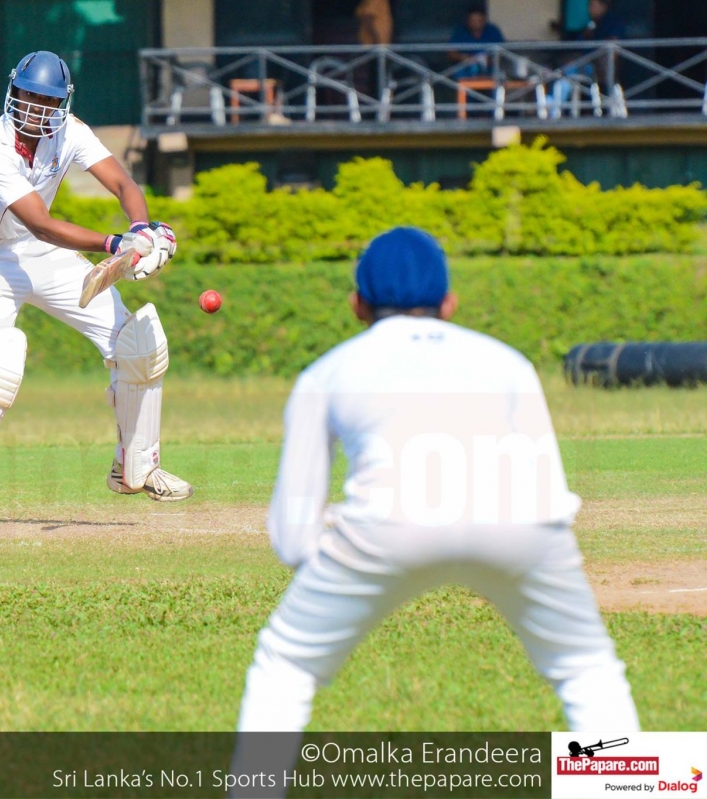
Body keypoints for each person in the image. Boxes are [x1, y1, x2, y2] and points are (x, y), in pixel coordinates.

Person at [234, 228, 639, 747]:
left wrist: (340, 557)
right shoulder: (507, 361)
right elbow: (549, 490)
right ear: (449, 303)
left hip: (385, 528)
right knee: (586, 669)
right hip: (521, 526)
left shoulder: (326, 373)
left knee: (285, 664)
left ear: (357, 306)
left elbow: (292, 541)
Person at [0, 51, 191, 532]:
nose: (36, 108)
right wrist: (115, 243)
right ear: (13, 92)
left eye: (47, 100)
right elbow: (40, 222)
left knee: (139, 342)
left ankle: (137, 468)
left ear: (62, 102)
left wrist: (143, 230)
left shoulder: (71, 132)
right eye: (28, 95)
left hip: (39, 254)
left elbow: (123, 183)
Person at [448, 3, 506, 79]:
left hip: (489, 67)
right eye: (473, 20)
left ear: (484, 20)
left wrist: (491, 60)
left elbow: (503, 51)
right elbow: (451, 52)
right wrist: (463, 57)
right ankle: (466, 91)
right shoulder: (460, 31)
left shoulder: (493, 30)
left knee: (498, 76)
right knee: (459, 74)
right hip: (466, 67)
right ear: (467, 20)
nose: (476, 24)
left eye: (479, 20)